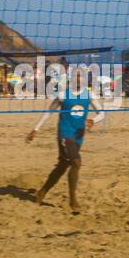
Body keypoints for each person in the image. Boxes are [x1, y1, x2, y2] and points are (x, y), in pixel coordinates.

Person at [27, 65, 104, 213]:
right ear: (71, 78)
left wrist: (94, 120)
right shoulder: (63, 94)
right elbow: (49, 111)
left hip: (78, 135)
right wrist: (36, 129)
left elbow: (102, 113)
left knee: (63, 165)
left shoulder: (90, 95)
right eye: (76, 75)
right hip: (64, 133)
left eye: (81, 76)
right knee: (76, 162)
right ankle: (73, 201)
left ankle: (42, 192)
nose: (78, 78)